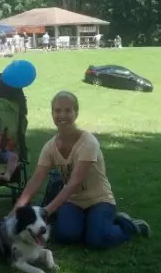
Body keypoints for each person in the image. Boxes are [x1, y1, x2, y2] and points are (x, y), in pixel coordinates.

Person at [10, 91, 151, 249]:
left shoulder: (88, 142)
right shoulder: (50, 147)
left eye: (68, 110)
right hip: (73, 201)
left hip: (99, 200)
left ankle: (128, 224)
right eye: (57, 110)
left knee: (96, 241)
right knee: (65, 235)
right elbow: (36, 179)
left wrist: (46, 211)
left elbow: (74, 183)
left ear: (76, 113)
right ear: (52, 113)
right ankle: (92, 223)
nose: (62, 115)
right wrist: (16, 210)